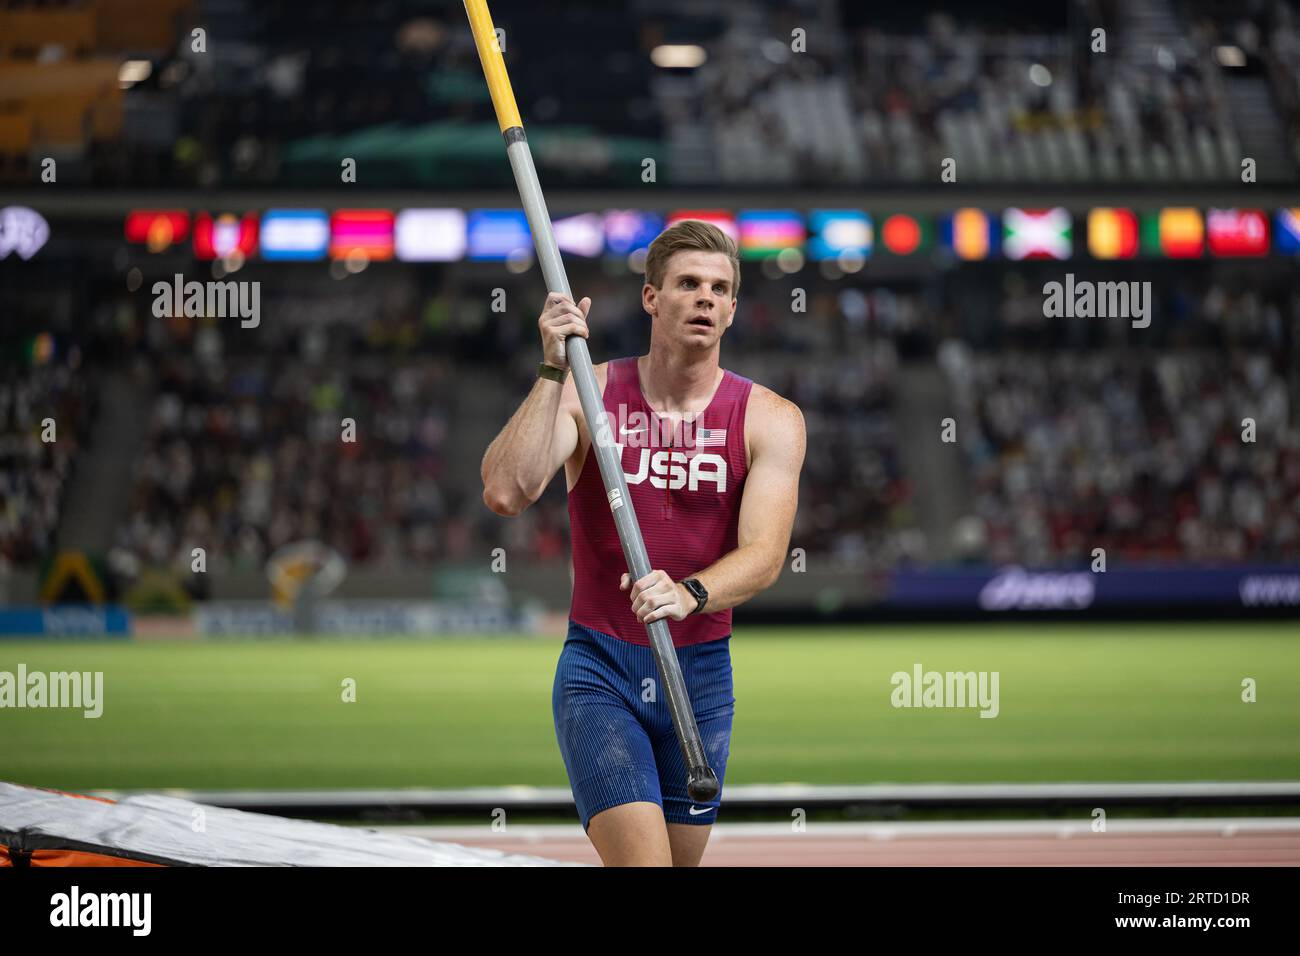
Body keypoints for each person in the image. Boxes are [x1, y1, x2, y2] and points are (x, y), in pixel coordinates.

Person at [481, 220, 806, 865]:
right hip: (604, 669)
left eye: (719, 288)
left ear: (734, 308)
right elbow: (505, 491)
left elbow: (766, 556)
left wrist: (689, 594)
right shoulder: (589, 392)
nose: (705, 298)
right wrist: (551, 369)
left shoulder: (770, 418)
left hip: (702, 676)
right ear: (652, 298)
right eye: (688, 284)